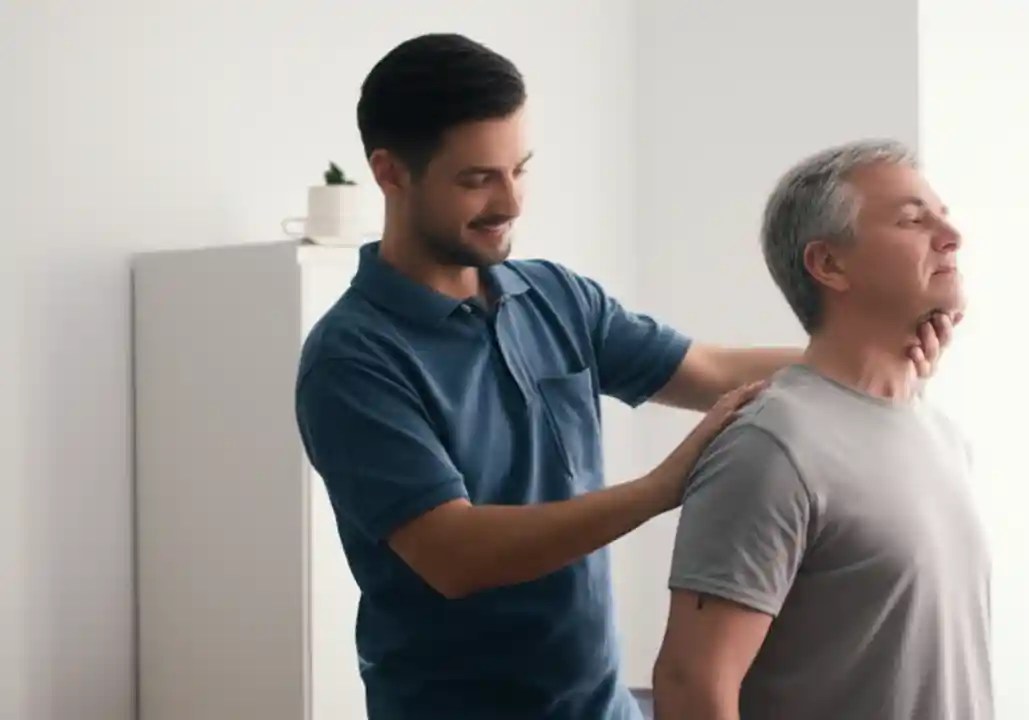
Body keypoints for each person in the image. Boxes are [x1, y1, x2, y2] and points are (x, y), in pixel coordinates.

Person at [294, 34, 956, 720]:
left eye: (519, 169)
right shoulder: (352, 361)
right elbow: (454, 554)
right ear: (390, 173)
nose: (511, 201)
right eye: (476, 179)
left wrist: (875, 354)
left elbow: (709, 369)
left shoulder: (553, 297)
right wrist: (658, 489)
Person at [652, 140, 987, 720]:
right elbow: (691, 687)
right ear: (829, 264)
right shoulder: (771, 446)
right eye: (912, 219)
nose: (950, 234)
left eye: (943, 213)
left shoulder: (943, 436)